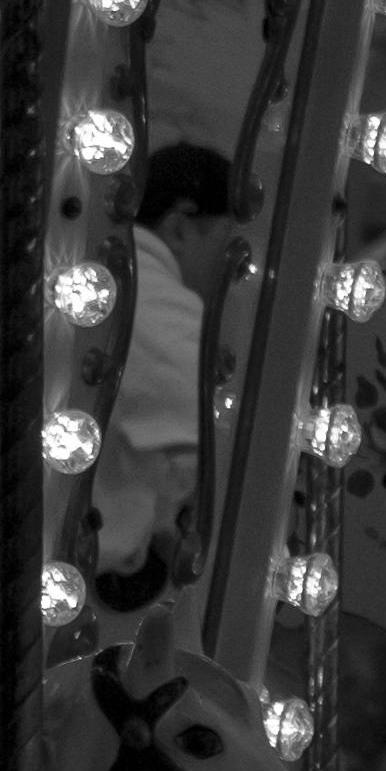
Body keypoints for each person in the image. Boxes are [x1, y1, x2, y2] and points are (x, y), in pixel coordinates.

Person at [90, 144, 246, 605]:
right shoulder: (157, 298)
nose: (232, 271)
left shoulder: (109, 276)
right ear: (180, 224)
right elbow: (222, 452)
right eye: (227, 243)